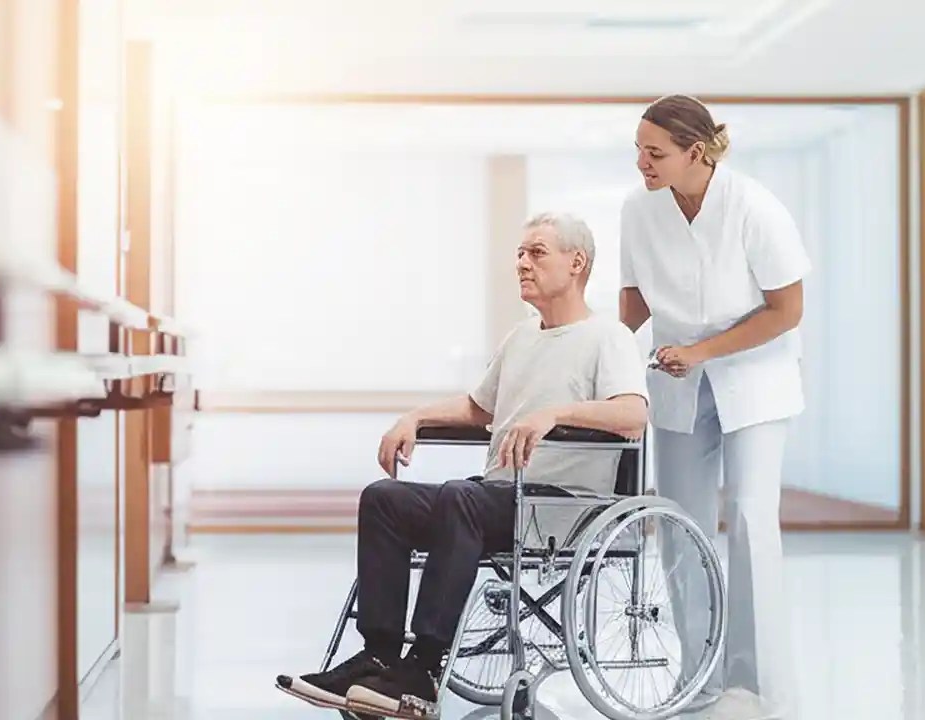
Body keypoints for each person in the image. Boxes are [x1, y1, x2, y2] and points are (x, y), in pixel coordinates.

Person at [276, 212, 649, 719]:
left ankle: (425, 668)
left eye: (537, 253)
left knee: (461, 497)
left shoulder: (608, 336)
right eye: (520, 253)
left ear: (576, 262)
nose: (522, 263)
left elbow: (633, 414)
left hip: (560, 508)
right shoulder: (522, 337)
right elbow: (479, 408)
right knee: (385, 498)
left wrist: (556, 413)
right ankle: (379, 656)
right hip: (497, 498)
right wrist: (415, 417)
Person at [619, 95, 808, 720]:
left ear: (695, 152)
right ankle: (699, 676)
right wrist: (602, 358)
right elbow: (634, 305)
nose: (642, 162)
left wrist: (702, 351)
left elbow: (787, 310)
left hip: (754, 378)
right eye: (638, 149)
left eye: (655, 152)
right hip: (677, 381)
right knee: (680, 526)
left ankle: (753, 687)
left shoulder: (755, 207)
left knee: (750, 517)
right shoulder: (638, 210)